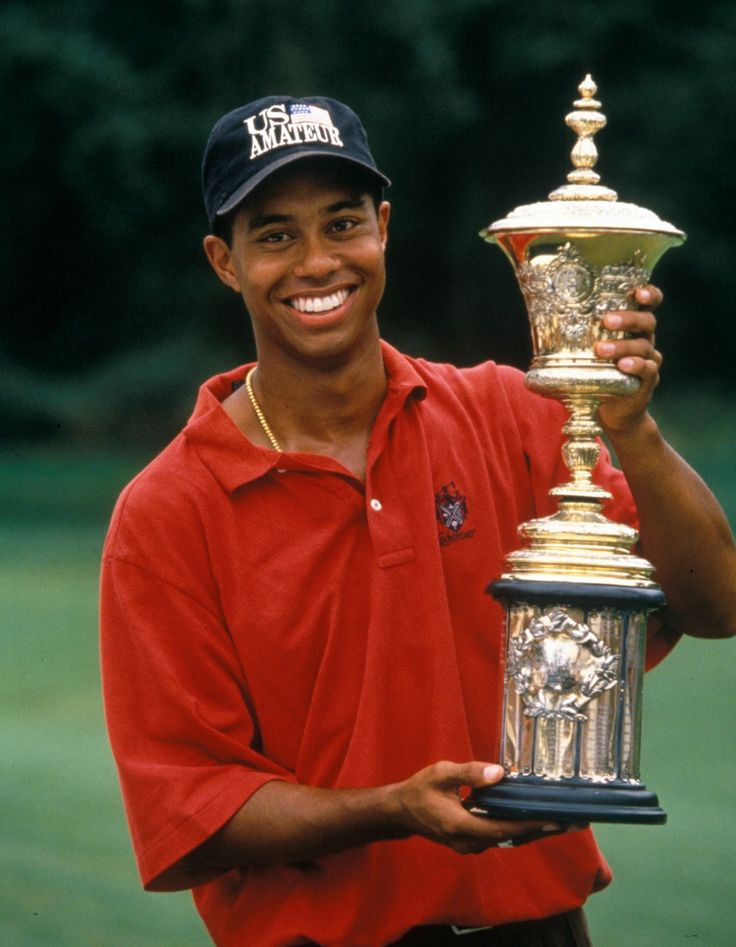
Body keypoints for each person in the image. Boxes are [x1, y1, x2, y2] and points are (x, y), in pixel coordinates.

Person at [100, 96, 736, 947]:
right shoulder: (167, 510)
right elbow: (194, 811)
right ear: (224, 260)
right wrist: (391, 810)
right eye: (276, 234)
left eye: (342, 223)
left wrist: (630, 424)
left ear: (384, 227)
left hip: (539, 929)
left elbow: (715, 603)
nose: (318, 262)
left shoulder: (511, 414)